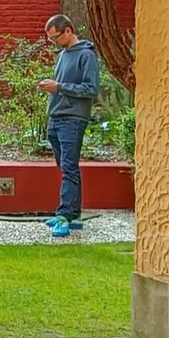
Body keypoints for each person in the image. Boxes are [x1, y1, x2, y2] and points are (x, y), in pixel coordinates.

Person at [40, 13, 100, 237]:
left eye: (55, 38)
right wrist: (54, 89)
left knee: (68, 166)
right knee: (65, 165)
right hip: (56, 118)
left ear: (68, 31)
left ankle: (64, 215)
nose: (53, 43)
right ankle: (72, 211)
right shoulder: (63, 55)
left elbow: (91, 89)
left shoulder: (86, 55)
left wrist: (59, 88)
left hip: (73, 119)